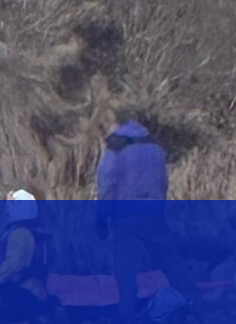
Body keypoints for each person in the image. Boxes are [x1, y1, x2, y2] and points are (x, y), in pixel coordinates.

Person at [95, 119, 193, 324]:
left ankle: (126, 314)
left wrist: (102, 216)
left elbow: (107, 185)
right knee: (169, 259)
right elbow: (163, 182)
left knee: (125, 269)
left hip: (125, 217)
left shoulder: (115, 150)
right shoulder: (155, 150)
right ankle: (190, 299)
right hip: (153, 214)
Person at [0, 190, 57, 324]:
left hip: (19, 291)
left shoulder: (18, 234)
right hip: (33, 290)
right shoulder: (30, 232)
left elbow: (12, 262)